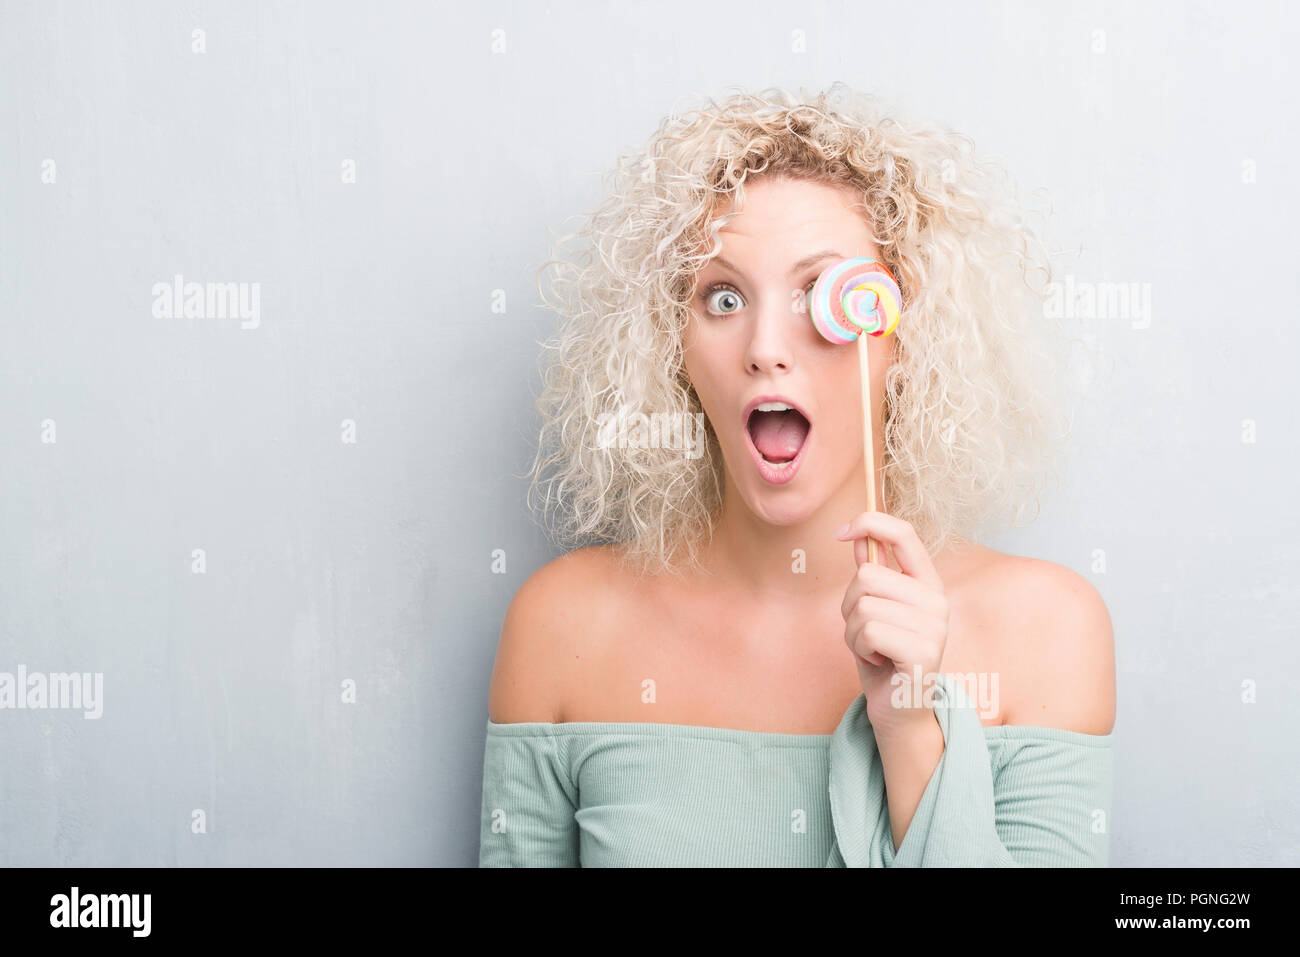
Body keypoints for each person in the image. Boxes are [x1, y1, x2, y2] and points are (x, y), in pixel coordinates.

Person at [479, 83, 1115, 867]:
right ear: (669, 345)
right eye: (722, 296)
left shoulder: (1046, 629)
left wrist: (913, 726)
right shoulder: (563, 626)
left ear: (899, 337)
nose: (764, 346)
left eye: (820, 294)